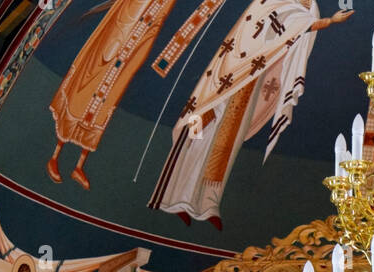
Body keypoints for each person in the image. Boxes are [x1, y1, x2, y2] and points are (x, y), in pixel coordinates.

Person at [149, 0, 353, 230]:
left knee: (228, 144)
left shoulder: (309, 7)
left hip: (251, 82)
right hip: (226, 76)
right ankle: (175, 197)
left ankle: (207, 204)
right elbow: (264, 26)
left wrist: (318, 22)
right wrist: (329, 22)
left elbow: (296, 37)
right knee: (198, 135)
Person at [47, 0, 177, 189]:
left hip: (135, 49)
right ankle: (55, 155)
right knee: (82, 93)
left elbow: (160, 18)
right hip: (116, 37)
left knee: (105, 106)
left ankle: (79, 166)